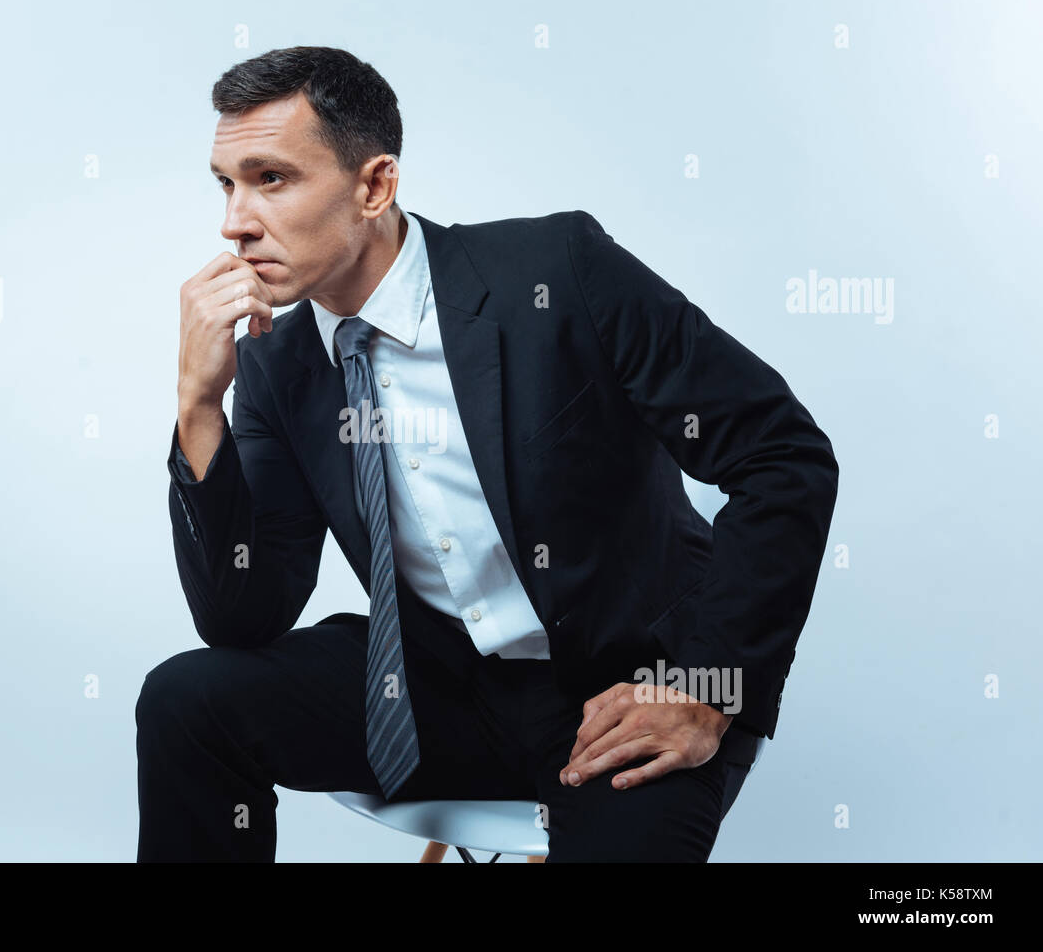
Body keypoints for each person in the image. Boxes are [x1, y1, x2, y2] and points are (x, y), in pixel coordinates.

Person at [135, 46, 839, 862]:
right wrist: (198, 406)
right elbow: (244, 615)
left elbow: (783, 455)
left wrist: (706, 689)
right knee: (187, 699)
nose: (235, 220)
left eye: (272, 178)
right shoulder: (275, 364)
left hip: (624, 685)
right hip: (431, 687)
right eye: (226, 182)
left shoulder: (558, 273)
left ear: (375, 186)